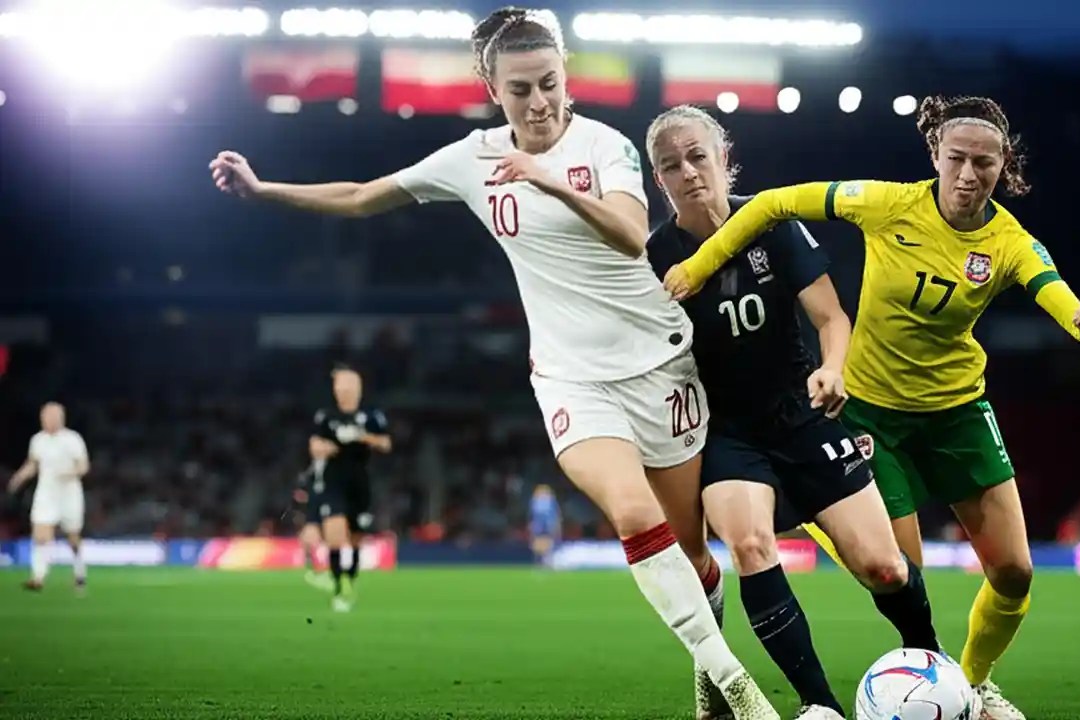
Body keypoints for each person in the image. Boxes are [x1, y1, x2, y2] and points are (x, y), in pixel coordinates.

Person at [209, 8, 774, 717]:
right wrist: (265, 192)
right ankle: (736, 689)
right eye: (520, 90)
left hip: (660, 366)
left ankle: (708, 663)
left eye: (549, 84)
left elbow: (633, 235)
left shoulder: (604, 147)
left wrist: (544, 177)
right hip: (571, 378)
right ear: (492, 88)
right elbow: (360, 197)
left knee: (692, 557)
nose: (539, 102)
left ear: (566, 77)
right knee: (632, 516)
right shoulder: (470, 159)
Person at [663, 95, 1080, 720]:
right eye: (955, 158)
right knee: (896, 571)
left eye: (983, 163)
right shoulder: (884, 202)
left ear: (1002, 163)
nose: (967, 174)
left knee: (1014, 573)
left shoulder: (1009, 241)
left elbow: (1054, 290)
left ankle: (972, 685)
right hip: (874, 416)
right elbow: (770, 203)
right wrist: (701, 264)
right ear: (934, 154)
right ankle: (887, 689)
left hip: (958, 412)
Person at [646, 105, 942, 720]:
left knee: (885, 567)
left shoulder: (771, 222)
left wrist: (833, 369)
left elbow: (832, 318)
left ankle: (934, 668)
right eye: (671, 165)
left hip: (802, 417)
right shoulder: (655, 258)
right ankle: (820, 706)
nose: (689, 172)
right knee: (751, 544)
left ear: (725, 156)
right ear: (659, 180)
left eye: (698, 156)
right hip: (725, 433)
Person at [309, 366, 392, 611]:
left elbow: (386, 443)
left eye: (347, 385)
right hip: (334, 481)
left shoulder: (372, 415)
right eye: (339, 386)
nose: (342, 390)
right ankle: (339, 585)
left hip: (360, 482)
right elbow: (314, 442)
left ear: (357, 388)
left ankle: (350, 579)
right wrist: (323, 448)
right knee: (335, 535)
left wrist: (361, 436)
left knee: (356, 536)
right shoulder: (326, 415)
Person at [7, 402, 91, 594]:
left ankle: (79, 572)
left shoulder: (72, 439)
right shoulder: (38, 440)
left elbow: (84, 466)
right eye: (45, 417)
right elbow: (33, 464)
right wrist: (19, 477)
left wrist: (69, 473)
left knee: (73, 537)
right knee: (40, 534)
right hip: (46, 492)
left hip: (69, 494)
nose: (47, 420)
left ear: (60, 418)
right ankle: (38, 577)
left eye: (52, 416)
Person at [293, 463, 333, 591]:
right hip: (317, 515)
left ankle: (322, 570)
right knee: (308, 540)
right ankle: (315, 567)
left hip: (323, 514)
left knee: (313, 540)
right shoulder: (312, 479)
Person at [528, 483, 561, 566]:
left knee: (547, 542)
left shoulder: (550, 501)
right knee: (539, 543)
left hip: (547, 525)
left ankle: (546, 560)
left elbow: (555, 514)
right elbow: (532, 515)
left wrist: (556, 525)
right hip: (540, 525)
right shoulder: (535, 501)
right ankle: (541, 561)